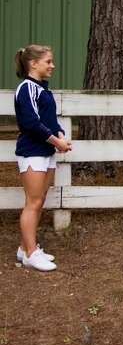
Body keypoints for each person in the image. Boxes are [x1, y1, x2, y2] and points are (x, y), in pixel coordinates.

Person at [13, 45, 72, 272]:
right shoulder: (27, 88)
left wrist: (60, 135)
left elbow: (48, 120)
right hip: (32, 152)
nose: (52, 66)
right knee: (33, 203)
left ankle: (25, 247)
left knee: (39, 201)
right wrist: (57, 142)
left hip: (45, 152)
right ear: (33, 63)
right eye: (48, 61)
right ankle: (30, 255)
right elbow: (30, 123)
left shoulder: (42, 90)